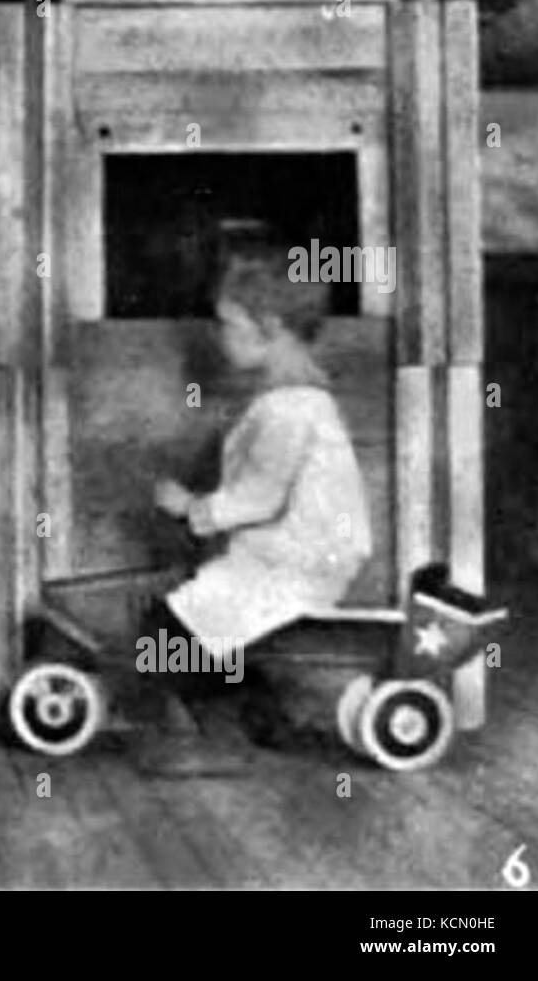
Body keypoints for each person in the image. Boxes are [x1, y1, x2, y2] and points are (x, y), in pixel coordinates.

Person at [139, 233, 373, 775]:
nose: (220, 337)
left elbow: (260, 497)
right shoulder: (293, 400)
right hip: (294, 552)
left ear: (270, 330)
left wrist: (191, 509)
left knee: (168, 626)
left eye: (229, 324)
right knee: (220, 621)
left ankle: (203, 738)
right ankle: (264, 719)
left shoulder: (289, 407)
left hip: (296, 557)